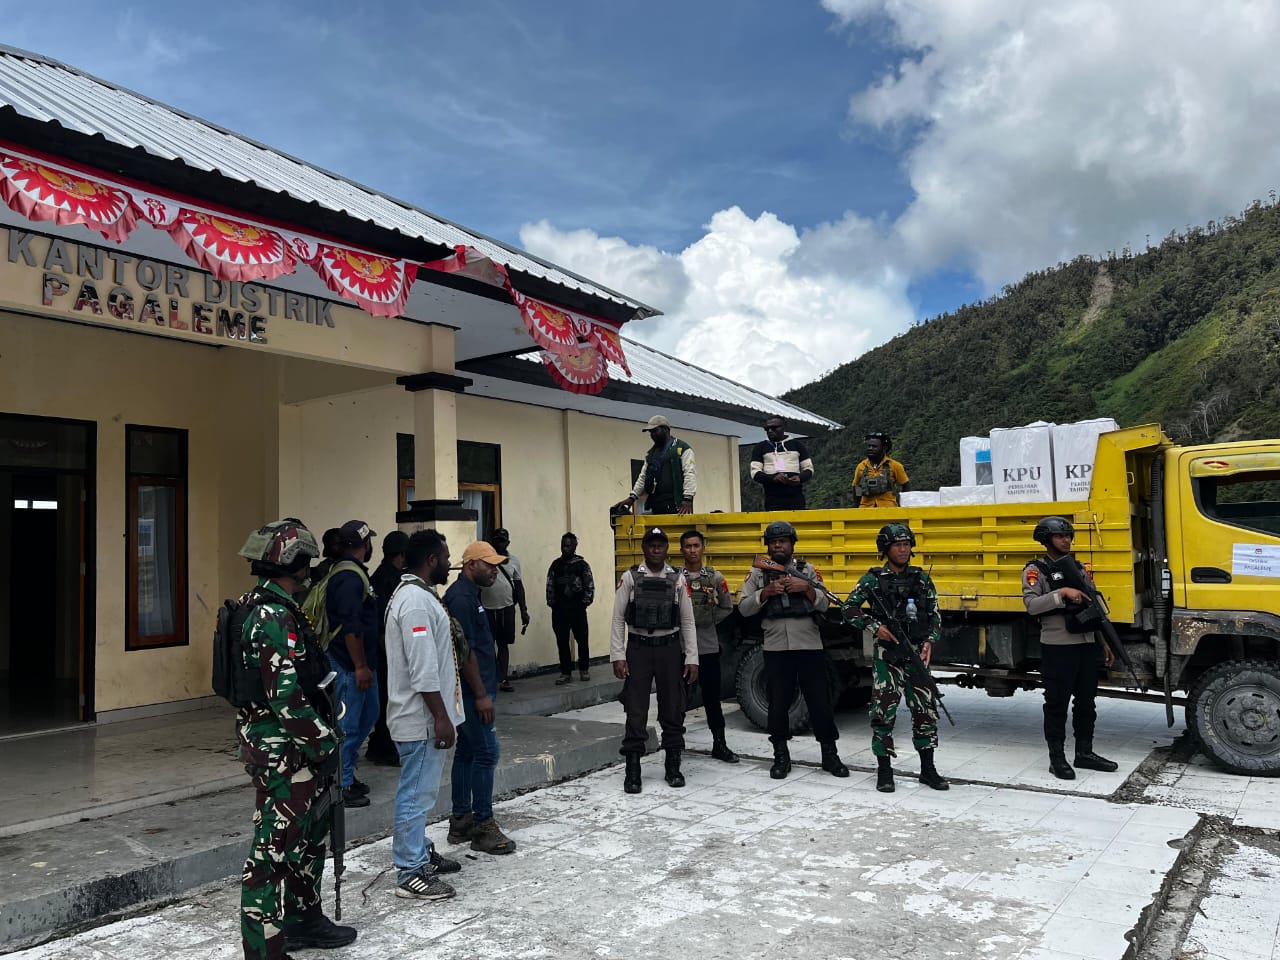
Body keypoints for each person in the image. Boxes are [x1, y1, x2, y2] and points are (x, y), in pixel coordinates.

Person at [234, 519, 356, 959]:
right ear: (296, 561)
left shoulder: (275, 604)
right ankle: (263, 949)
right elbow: (285, 697)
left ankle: (304, 920)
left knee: (307, 840)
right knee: (272, 851)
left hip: (297, 748)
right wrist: (325, 744)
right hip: (287, 751)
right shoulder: (270, 614)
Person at [383, 530, 464, 901]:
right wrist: (441, 717)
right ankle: (410, 871)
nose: (450, 563)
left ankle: (418, 852)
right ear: (432, 560)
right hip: (420, 720)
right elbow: (422, 669)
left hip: (424, 717)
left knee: (422, 793)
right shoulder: (415, 602)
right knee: (415, 795)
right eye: (445, 557)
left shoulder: (418, 596)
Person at [842, 523, 948, 793]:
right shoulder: (873, 580)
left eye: (907, 544)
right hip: (887, 655)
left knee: (925, 711)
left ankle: (928, 770)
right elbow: (849, 609)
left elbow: (935, 615)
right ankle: (885, 770)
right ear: (885, 549)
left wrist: (929, 642)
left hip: (916, 654)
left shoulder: (921, 579)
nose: (903, 549)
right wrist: (876, 627)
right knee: (883, 712)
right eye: (897, 544)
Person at [738, 520, 848, 780]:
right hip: (775, 644)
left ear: (791, 544)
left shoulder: (806, 570)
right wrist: (765, 593)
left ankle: (829, 755)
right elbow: (743, 608)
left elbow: (824, 605)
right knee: (777, 703)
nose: (778, 545)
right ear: (768, 546)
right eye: (774, 542)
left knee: (819, 701)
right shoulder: (758, 573)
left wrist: (807, 589)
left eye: (783, 541)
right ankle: (780, 755)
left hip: (808, 643)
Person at [1023, 515, 1119, 780]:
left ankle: (1084, 753)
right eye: (1059, 536)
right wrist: (1061, 594)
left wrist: (1104, 641)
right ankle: (1057, 758)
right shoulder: (1036, 571)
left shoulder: (1078, 567)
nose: (1066, 540)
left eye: (1068, 535)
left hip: (1086, 644)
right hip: (1058, 646)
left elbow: (1093, 607)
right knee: (1056, 704)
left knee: (1087, 703)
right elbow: (1031, 605)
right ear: (1046, 539)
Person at [444, 541, 518, 855]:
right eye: (489, 565)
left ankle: (461, 818)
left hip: (477, 689)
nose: (494, 570)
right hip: (473, 692)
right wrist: (480, 696)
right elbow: (465, 652)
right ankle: (483, 825)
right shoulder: (461, 598)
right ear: (471, 565)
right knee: (487, 752)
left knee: (469, 751)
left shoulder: (471, 596)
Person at [611, 527, 698, 792]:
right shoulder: (630, 578)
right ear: (644, 548)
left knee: (673, 706)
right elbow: (617, 618)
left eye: (660, 545)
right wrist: (617, 654)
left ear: (666, 549)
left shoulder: (677, 579)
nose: (656, 550)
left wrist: (691, 657)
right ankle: (633, 771)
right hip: (638, 648)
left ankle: (673, 766)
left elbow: (686, 620)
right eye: (651, 545)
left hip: (669, 649)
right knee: (636, 709)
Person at [325, 519, 381, 808]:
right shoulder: (348, 577)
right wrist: (359, 666)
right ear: (364, 544)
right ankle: (341, 784)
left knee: (367, 717)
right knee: (347, 726)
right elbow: (351, 626)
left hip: (361, 663)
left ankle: (347, 773)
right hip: (348, 664)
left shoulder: (355, 573)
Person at [677, 529, 738, 763]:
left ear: (703, 548)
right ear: (681, 550)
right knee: (678, 698)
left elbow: (726, 607)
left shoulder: (715, 578)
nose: (692, 550)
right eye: (688, 546)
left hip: (708, 646)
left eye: (696, 546)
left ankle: (719, 744)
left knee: (712, 698)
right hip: (681, 648)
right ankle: (675, 742)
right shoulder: (675, 578)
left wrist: (707, 621)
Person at [366, 530, 409, 767]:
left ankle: (379, 744)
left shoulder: (380, 576)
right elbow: (384, 622)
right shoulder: (389, 580)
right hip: (385, 651)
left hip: (382, 650)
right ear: (402, 554)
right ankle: (384, 746)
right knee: (388, 700)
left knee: (385, 700)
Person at [613, 415, 697, 516]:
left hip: (678, 507)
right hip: (656, 505)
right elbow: (643, 477)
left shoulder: (682, 449)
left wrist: (687, 498)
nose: (652, 435)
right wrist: (632, 497)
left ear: (666, 429)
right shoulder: (651, 454)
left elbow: (689, 473)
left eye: (655, 431)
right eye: (650, 432)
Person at [479, 528, 529, 693]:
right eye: (497, 540)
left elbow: (519, 586)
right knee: (487, 645)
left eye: (502, 540)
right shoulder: (485, 560)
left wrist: (523, 610)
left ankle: (504, 679)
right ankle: (490, 678)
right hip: (487, 608)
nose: (500, 543)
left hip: (506, 608)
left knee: (504, 644)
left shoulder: (513, 561)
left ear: (507, 542)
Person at [546, 532, 596, 683]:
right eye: (563, 545)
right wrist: (552, 603)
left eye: (568, 545)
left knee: (582, 640)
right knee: (562, 642)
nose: (565, 548)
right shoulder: (556, 565)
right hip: (560, 611)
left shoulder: (582, 565)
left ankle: (584, 669)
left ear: (575, 546)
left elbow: (590, 586)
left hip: (577, 610)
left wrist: (583, 603)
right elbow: (550, 585)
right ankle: (566, 672)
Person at [749, 417, 815, 511]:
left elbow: (809, 469)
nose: (770, 431)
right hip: (773, 498)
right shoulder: (760, 447)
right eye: (767, 429)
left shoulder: (797, 445)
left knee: (797, 524)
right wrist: (773, 478)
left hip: (795, 496)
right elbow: (754, 473)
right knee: (776, 525)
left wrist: (800, 478)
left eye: (774, 428)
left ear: (784, 428)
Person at [851, 432, 910, 508]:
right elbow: (857, 487)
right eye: (869, 446)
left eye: (874, 446)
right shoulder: (861, 466)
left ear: (884, 448)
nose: (870, 448)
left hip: (888, 510)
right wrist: (857, 506)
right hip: (866, 510)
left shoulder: (895, 466)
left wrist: (904, 506)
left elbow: (905, 485)